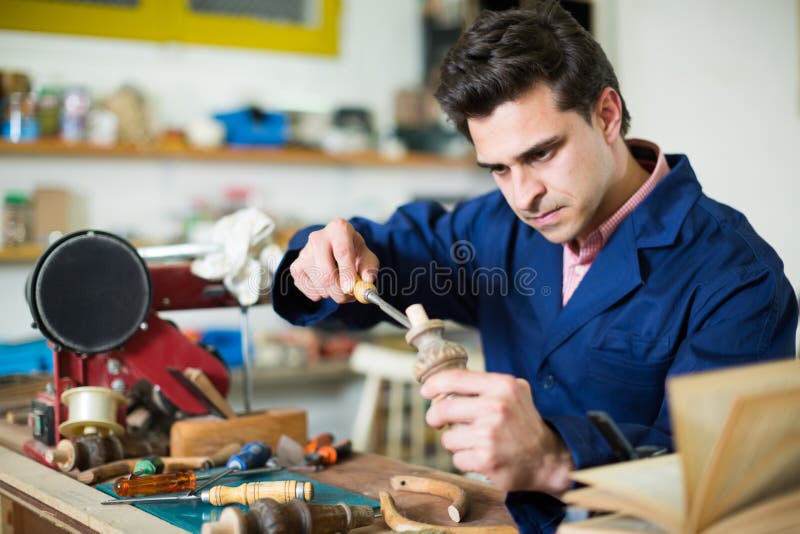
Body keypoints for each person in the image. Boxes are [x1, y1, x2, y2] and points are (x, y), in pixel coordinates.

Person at [272, 2, 798, 533]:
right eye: (499, 168)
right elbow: (389, 256)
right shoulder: (494, 227)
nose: (524, 195)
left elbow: (721, 485)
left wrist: (554, 459)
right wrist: (321, 259)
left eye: (541, 154)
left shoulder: (738, 276)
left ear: (607, 115)